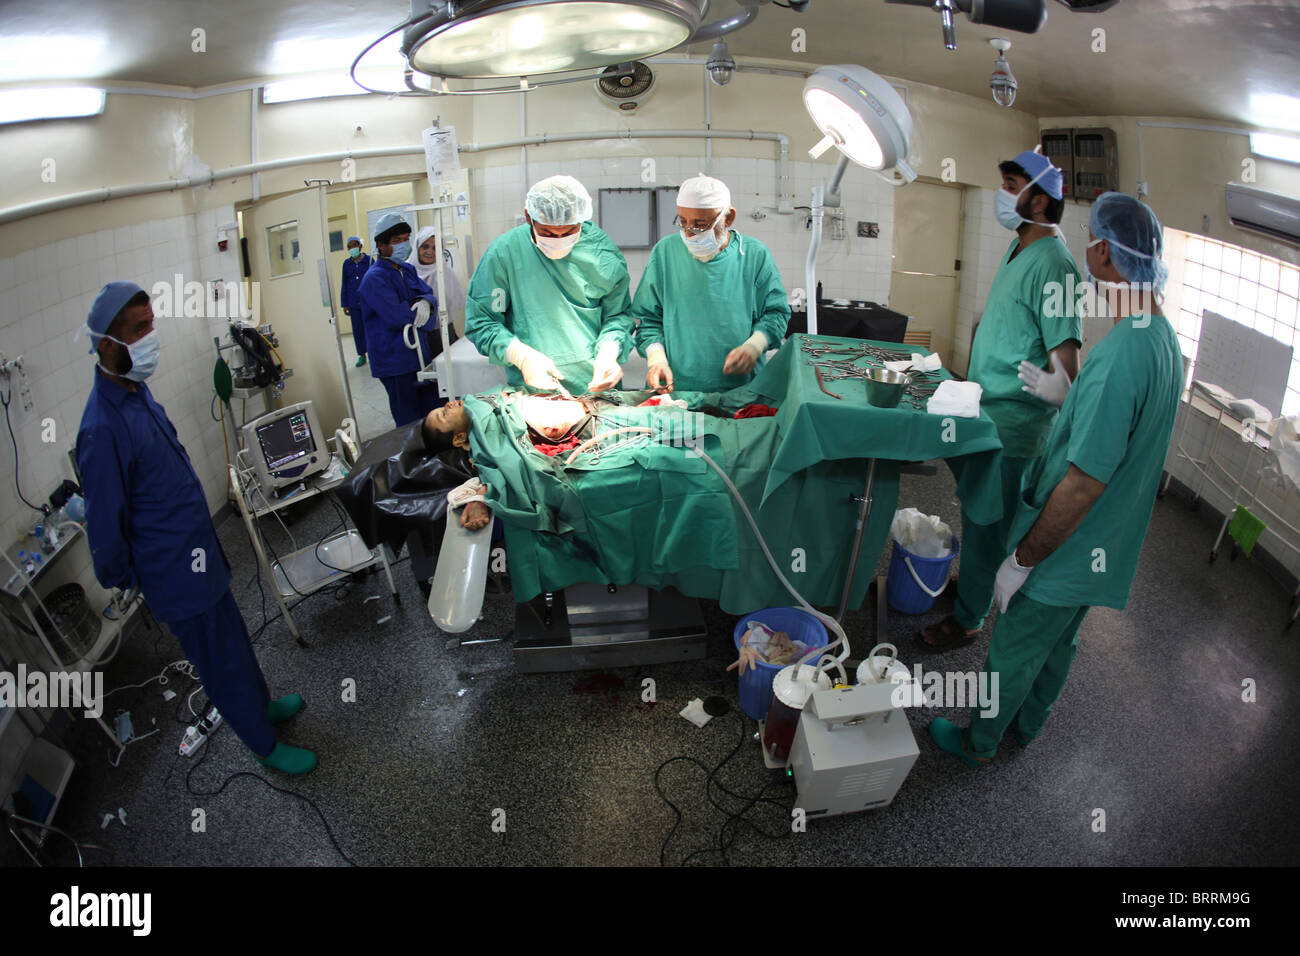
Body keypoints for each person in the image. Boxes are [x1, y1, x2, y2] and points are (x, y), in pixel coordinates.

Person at [928, 192, 1182, 765]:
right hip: (1106, 543)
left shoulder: (1121, 353)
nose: (1084, 251)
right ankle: (1028, 726)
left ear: (1106, 254)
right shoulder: (1163, 340)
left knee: (1016, 642)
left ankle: (978, 742)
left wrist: (1023, 560)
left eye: (1091, 240)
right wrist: (1068, 400)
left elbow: (1083, 484)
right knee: (1059, 639)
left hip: (1069, 543)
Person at [77, 282, 316, 775]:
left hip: (198, 552)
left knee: (234, 640)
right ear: (107, 344)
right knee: (216, 659)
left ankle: (261, 706)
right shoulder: (101, 428)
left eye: (151, 324)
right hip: (171, 572)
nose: (151, 337)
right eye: (139, 329)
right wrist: (134, 577)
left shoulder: (136, 393)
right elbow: (104, 525)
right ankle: (262, 744)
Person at [921, 148, 1082, 651]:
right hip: (987, 414)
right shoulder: (1020, 248)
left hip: (1016, 427)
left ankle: (969, 620)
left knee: (991, 523)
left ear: (1041, 201)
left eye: (1012, 187)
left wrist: (1060, 387)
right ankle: (975, 582)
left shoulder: (1056, 265)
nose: (1002, 195)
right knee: (978, 513)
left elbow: (1067, 365)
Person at [464, 175, 633, 395]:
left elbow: (617, 315)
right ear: (528, 217)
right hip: (535, 389)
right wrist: (520, 355)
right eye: (547, 233)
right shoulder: (505, 253)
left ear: (581, 220)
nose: (559, 239)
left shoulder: (602, 252)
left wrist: (609, 352)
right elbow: (482, 321)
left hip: (596, 384)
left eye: (569, 232)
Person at [631, 175, 790, 392]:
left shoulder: (754, 255)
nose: (689, 233)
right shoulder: (665, 252)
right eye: (682, 222)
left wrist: (755, 346)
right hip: (674, 388)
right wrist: (656, 359)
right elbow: (648, 319)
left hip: (740, 390)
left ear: (728, 218)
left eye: (700, 224)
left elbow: (776, 314)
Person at [358, 212, 441, 426]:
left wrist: (426, 302)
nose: (403, 245)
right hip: (394, 361)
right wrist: (420, 311)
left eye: (406, 239)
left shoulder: (406, 269)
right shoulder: (374, 279)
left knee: (431, 413)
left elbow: (429, 294)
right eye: (397, 241)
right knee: (409, 420)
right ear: (381, 245)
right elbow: (399, 316)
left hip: (419, 356)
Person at [407, 226, 466, 324]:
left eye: (435, 248)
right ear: (417, 247)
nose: (430, 252)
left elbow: (456, 303)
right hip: (412, 327)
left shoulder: (446, 273)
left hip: (442, 327)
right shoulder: (406, 270)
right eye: (425, 246)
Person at [340, 235, 371, 367]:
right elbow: (344, 284)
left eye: (354, 245)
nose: (352, 248)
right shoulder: (346, 264)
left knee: (371, 327)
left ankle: (374, 352)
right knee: (358, 330)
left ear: (360, 246)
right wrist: (345, 304)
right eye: (349, 247)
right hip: (353, 303)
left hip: (368, 302)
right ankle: (362, 355)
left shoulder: (369, 260)